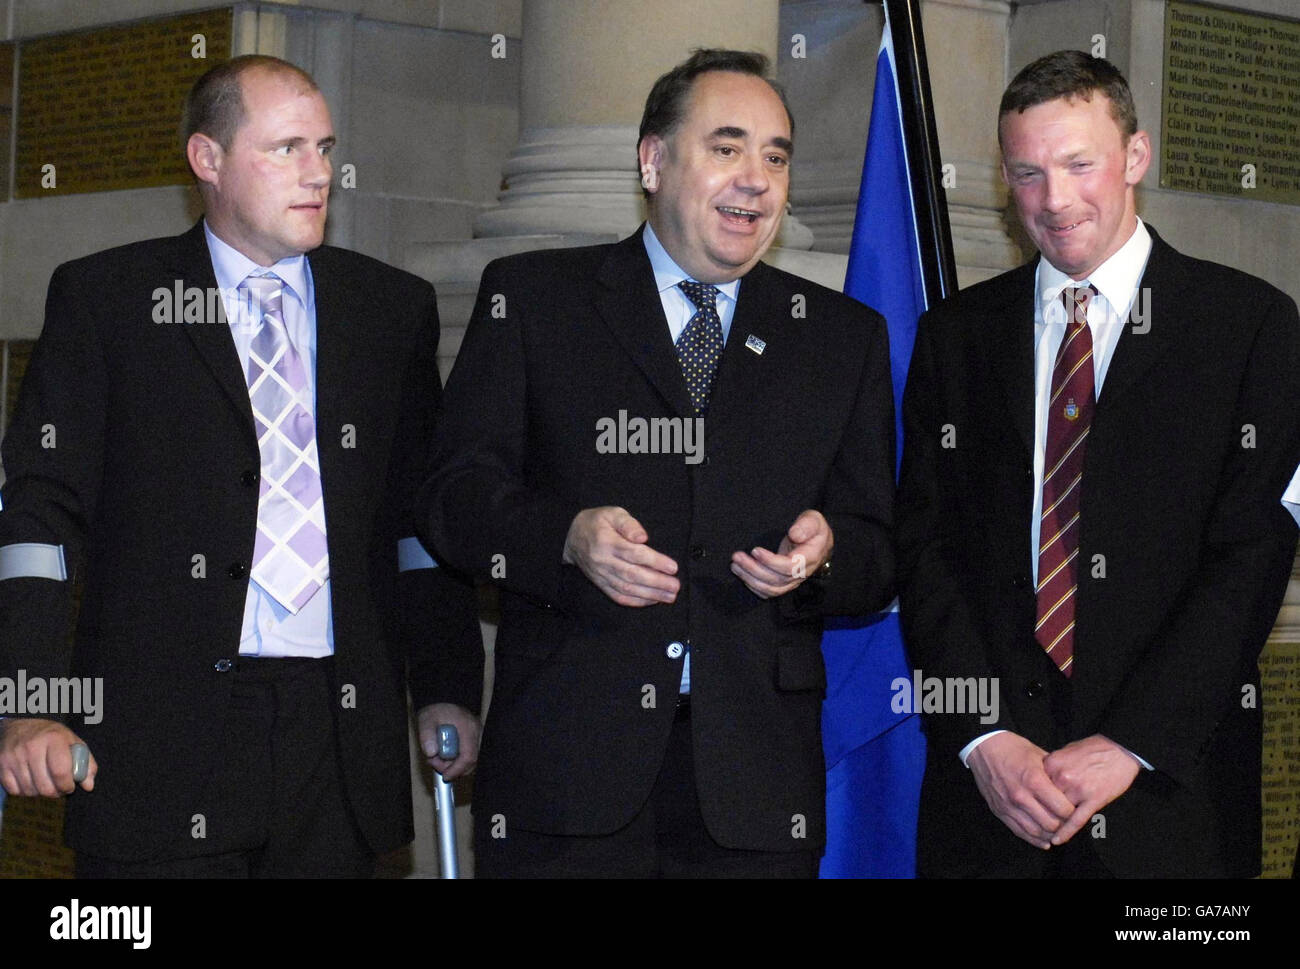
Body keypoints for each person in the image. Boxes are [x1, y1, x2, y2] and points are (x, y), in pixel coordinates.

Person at [0, 55, 484, 877]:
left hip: (332, 740)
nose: (319, 173)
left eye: (325, 148)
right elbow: (37, 518)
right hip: (158, 739)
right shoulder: (109, 299)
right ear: (208, 159)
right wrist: (28, 703)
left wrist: (446, 681)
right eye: (287, 148)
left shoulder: (387, 309)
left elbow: (414, 520)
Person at [417, 48, 895, 877]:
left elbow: (880, 551)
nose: (756, 179)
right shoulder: (534, 301)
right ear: (652, 160)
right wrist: (564, 535)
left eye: (775, 157)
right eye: (727, 148)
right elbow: (452, 501)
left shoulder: (842, 337)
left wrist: (828, 554)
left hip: (754, 788)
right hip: (568, 781)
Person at [897, 49, 1300, 878]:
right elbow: (926, 549)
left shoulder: (1248, 326)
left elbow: (1251, 559)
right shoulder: (958, 335)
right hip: (991, 804)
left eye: (1080, 163)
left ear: (1136, 156)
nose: (1055, 200)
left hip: (1171, 802)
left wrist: (1128, 743)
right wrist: (984, 735)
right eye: (1028, 173)